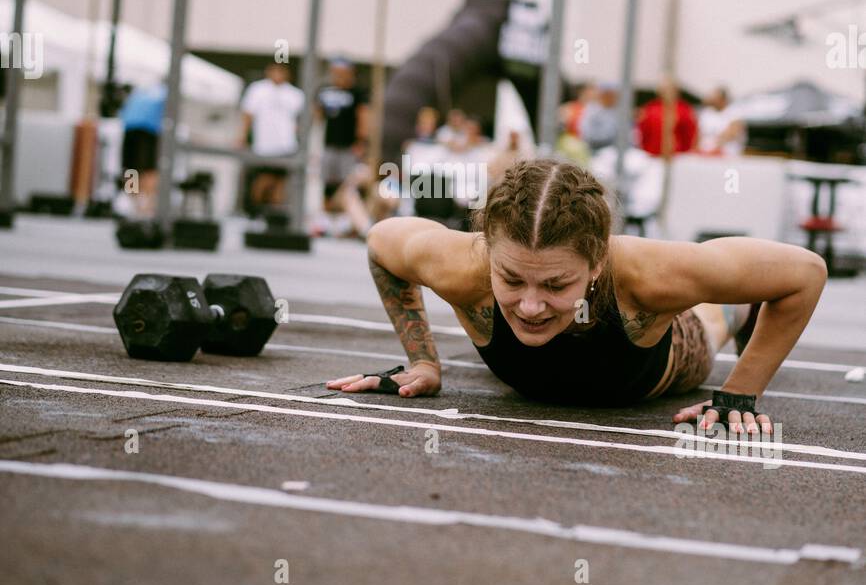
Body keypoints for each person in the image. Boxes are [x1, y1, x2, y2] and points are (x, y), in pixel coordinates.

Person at [326, 157, 828, 439]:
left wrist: (739, 392)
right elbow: (381, 241)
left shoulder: (651, 275)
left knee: (713, 316)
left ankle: (730, 311)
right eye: (513, 280)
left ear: (597, 263)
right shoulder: (462, 267)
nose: (529, 306)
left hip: (664, 358)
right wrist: (423, 361)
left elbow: (804, 273)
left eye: (556, 285)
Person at [239, 61, 304, 212]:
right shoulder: (258, 89)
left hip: (286, 146)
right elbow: (248, 115)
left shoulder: (295, 94)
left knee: (279, 183)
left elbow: (302, 118)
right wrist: (243, 136)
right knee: (262, 181)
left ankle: (273, 216)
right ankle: (254, 212)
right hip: (263, 146)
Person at [315, 60, 369, 212]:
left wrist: (361, 141)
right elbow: (318, 115)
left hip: (348, 145)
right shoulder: (326, 91)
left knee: (346, 183)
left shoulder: (357, 93)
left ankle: (345, 214)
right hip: (330, 143)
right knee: (328, 181)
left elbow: (363, 116)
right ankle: (327, 212)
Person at [118, 82, 167, 217]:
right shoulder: (163, 93)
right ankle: (146, 203)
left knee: (131, 168)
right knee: (149, 168)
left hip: (130, 128)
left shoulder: (139, 91)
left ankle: (134, 203)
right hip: (148, 130)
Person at [636, 80, 699, 157]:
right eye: (664, 90)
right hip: (653, 154)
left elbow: (691, 133)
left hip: (677, 155)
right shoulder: (650, 108)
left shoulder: (685, 109)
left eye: (670, 90)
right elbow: (643, 130)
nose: (668, 93)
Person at [698, 87, 747, 156]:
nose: (712, 99)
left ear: (723, 99)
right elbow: (698, 134)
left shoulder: (734, 111)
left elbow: (732, 133)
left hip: (727, 154)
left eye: (715, 98)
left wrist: (714, 147)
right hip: (705, 153)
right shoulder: (706, 112)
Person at [580, 82, 620, 153]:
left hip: (615, 152)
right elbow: (587, 134)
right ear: (603, 94)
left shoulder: (619, 111)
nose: (612, 97)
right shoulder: (591, 110)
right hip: (594, 152)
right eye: (609, 94)